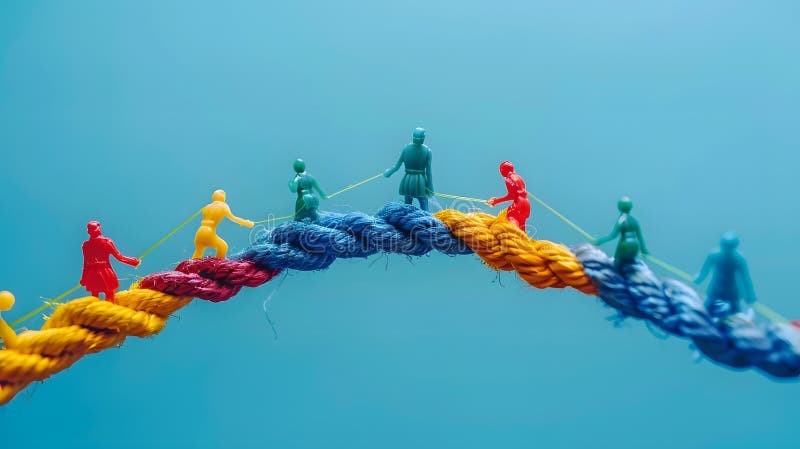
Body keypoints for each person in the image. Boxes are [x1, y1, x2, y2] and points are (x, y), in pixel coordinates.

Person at [695, 232, 756, 319]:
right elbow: (705, 271)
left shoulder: (739, 259)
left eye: (729, 247)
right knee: (706, 309)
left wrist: (750, 295)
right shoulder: (714, 256)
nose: (727, 250)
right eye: (725, 246)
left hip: (731, 292)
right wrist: (699, 279)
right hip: (717, 289)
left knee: (736, 312)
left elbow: (745, 278)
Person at [80, 221, 140, 303]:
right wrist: (133, 262)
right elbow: (120, 257)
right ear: (99, 229)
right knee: (110, 296)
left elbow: (86, 264)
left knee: (94, 298)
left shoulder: (86, 245)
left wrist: (83, 278)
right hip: (105, 272)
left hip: (92, 275)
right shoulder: (106, 242)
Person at [192, 190, 254, 259]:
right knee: (223, 247)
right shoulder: (223, 206)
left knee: (198, 251)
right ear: (223, 197)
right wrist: (246, 223)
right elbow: (233, 218)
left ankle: (190, 264)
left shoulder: (207, 207)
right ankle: (218, 264)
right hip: (208, 232)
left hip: (200, 232)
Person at [384, 127, 433, 211]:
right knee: (424, 202)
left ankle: (406, 215)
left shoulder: (406, 149)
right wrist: (430, 187)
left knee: (407, 203)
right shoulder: (427, 151)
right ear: (423, 138)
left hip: (407, 180)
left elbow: (397, 166)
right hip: (420, 181)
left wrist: (388, 172)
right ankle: (427, 217)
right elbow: (428, 172)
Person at [593, 197, 649, 271]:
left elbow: (613, 236)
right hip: (635, 246)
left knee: (616, 267)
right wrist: (644, 251)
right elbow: (640, 237)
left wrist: (599, 241)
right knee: (630, 264)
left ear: (619, 207)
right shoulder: (634, 221)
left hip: (624, 246)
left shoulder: (621, 220)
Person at [486, 160, 531, 231]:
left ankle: (513, 232)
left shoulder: (509, 178)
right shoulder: (519, 178)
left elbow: (512, 195)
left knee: (512, 216)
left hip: (518, 203)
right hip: (526, 204)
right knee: (521, 226)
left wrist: (496, 201)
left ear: (503, 171)